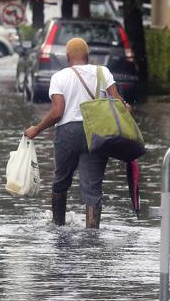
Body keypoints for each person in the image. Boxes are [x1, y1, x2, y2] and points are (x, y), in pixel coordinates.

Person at [24, 37, 130, 229]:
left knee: (61, 181)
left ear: (67, 57)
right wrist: (127, 108)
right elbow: (119, 104)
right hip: (97, 134)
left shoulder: (59, 77)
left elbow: (57, 113)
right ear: (87, 56)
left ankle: (58, 227)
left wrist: (36, 129)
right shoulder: (102, 71)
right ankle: (92, 233)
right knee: (92, 187)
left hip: (68, 133)